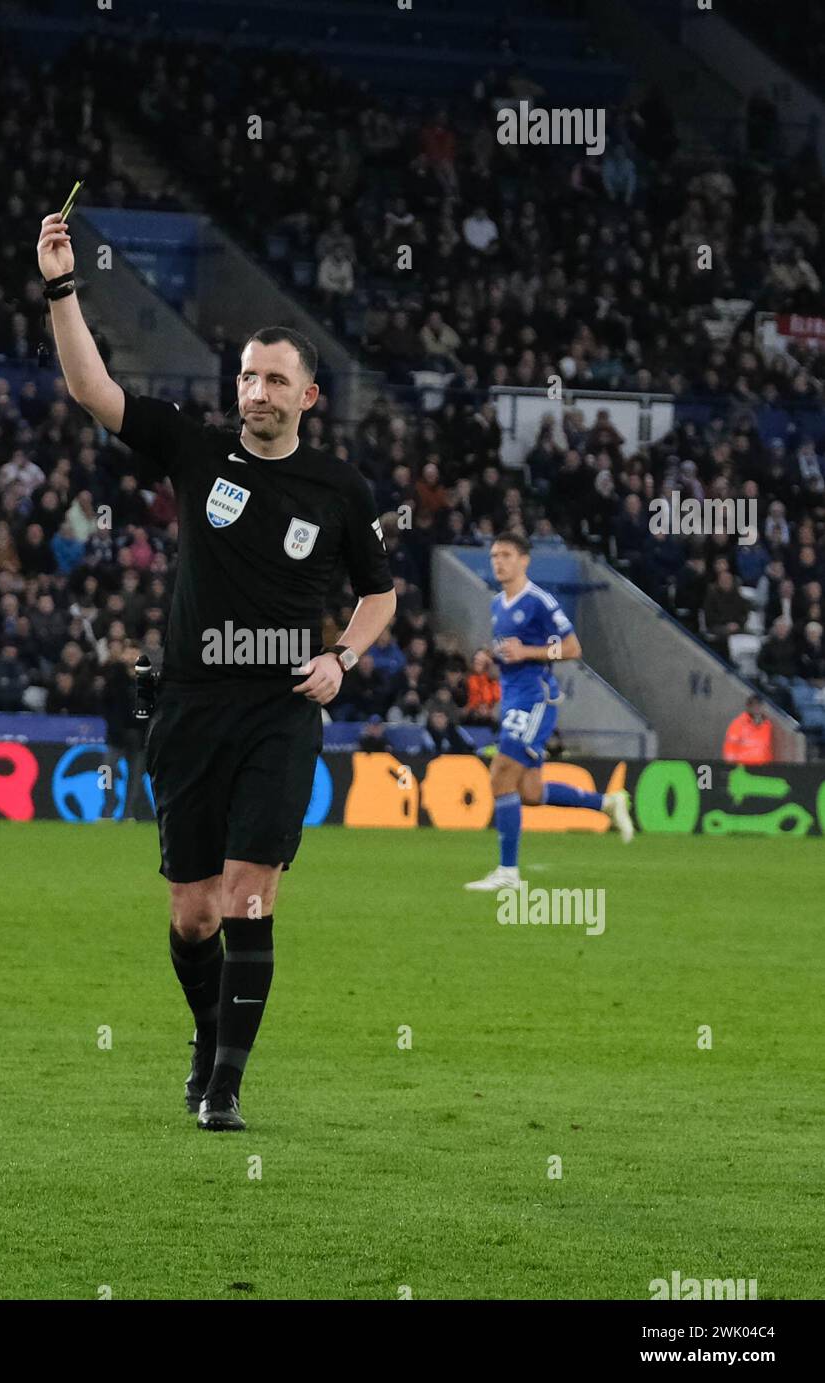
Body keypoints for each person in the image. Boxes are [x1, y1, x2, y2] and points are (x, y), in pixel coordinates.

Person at [37, 210, 396, 1130]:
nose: (257, 391)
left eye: (276, 379)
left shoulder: (341, 492)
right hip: (191, 705)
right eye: (247, 375)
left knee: (249, 896)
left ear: (308, 397)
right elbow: (92, 389)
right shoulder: (197, 451)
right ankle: (207, 1041)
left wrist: (343, 658)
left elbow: (379, 596)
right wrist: (61, 287)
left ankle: (225, 1087)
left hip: (282, 710)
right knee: (193, 912)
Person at [465, 533, 633, 891]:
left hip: (535, 700)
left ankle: (508, 873)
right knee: (529, 792)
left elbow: (572, 648)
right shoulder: (497, 604)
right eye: (494, 555)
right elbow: (510, 653)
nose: (498, 562)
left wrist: (528, 652)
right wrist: (490, 657)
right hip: (512, 699)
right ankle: (607, 802)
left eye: (506, 555)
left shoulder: (540, 601)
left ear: (524, 560)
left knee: (499, 776)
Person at [721, 695, 774, 765]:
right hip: (742, 768)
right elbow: (730, 748)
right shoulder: (738, 724)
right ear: (749, 707)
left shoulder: (767, 725)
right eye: (754, 706)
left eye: (759, 705)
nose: (757, 708)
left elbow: (767, 749)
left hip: (761, 768)